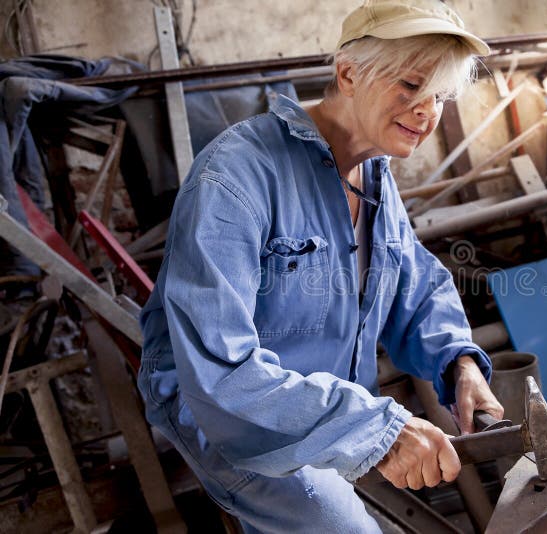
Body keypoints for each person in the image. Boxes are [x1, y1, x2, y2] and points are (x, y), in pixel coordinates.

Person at [138, 0, 504, 531]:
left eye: (441, 97)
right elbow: (221, 372)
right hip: (223, 411)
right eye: (410, 87)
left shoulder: (372, 170)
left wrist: (458, 363)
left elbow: (411, 284)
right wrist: (373, 429)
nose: (427, 111)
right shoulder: (236, 176)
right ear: (348, 73)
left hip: (319, 398)